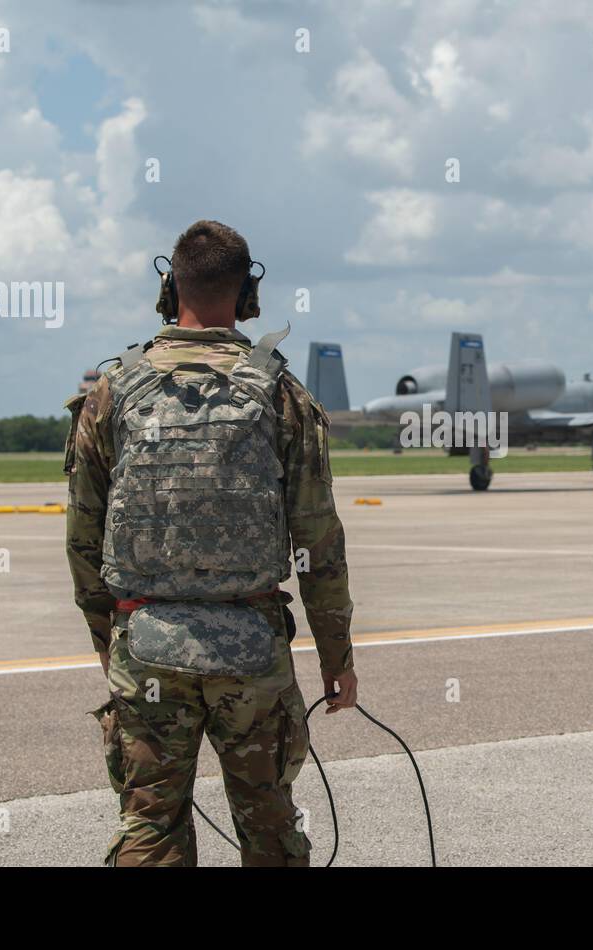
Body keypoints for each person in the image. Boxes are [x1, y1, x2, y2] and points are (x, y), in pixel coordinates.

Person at [64, 219, 357, 866]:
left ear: (170, 288)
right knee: (271, 829)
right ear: (248, 296)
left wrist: (108, 639)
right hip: (251, 653)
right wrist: (337, 657)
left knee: (149, 829)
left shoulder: (112, 393)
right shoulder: (280, 393)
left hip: (144, 646)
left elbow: (84, 537)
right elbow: (317, 541)